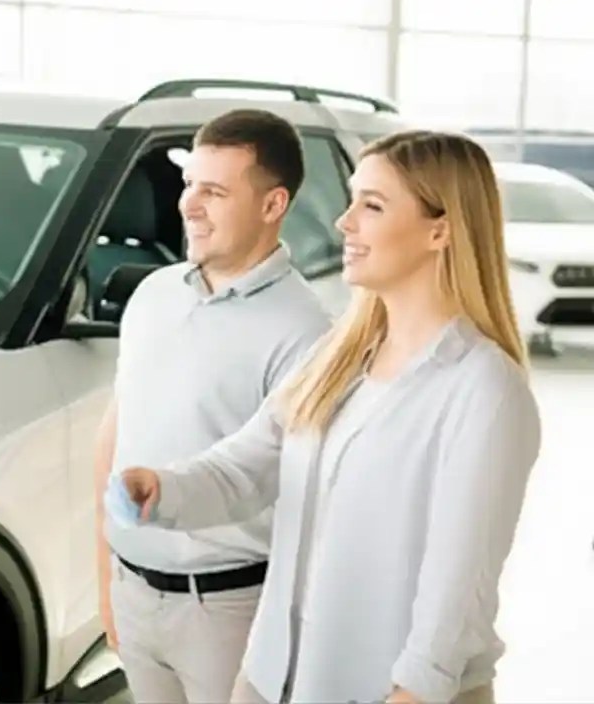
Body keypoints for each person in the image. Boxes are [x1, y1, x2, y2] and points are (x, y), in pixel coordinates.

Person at [120, 130, 541, 704]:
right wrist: (162, 490)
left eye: (371, 205)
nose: (344, 223)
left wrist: (413, 691)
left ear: (440, 230)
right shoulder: (338, 355)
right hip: (275, 676)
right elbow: (245, 468)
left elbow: (458, 584)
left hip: (393, 691)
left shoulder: (483, 389)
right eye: (351, 201)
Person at [94, 109, 333, 704]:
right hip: (133, 590)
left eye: (214, 191)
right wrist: (106, 580)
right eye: (189, 185)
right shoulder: (152, 294)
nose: (188, 205)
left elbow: (276, 480)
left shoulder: (306, 332)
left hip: (228, 612)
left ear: (273, 205)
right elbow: (116, 434)